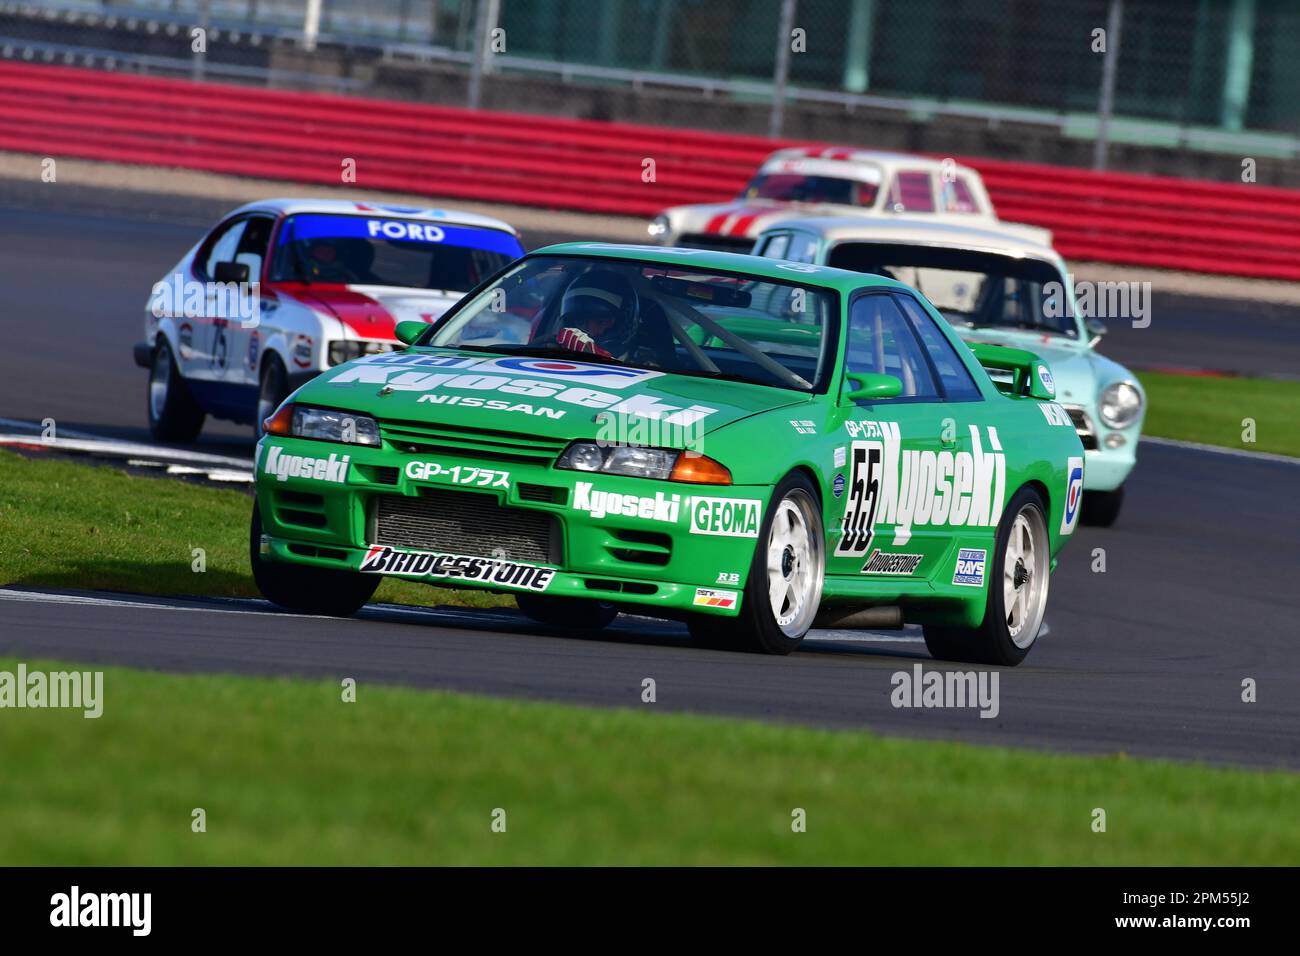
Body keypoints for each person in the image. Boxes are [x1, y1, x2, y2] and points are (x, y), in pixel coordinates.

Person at [552, 269, 640, 359]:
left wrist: (595, 354)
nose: (592, 332)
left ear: (623, 321)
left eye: (601, 322)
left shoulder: (644, 361)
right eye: (581, 322)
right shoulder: (558, 351)